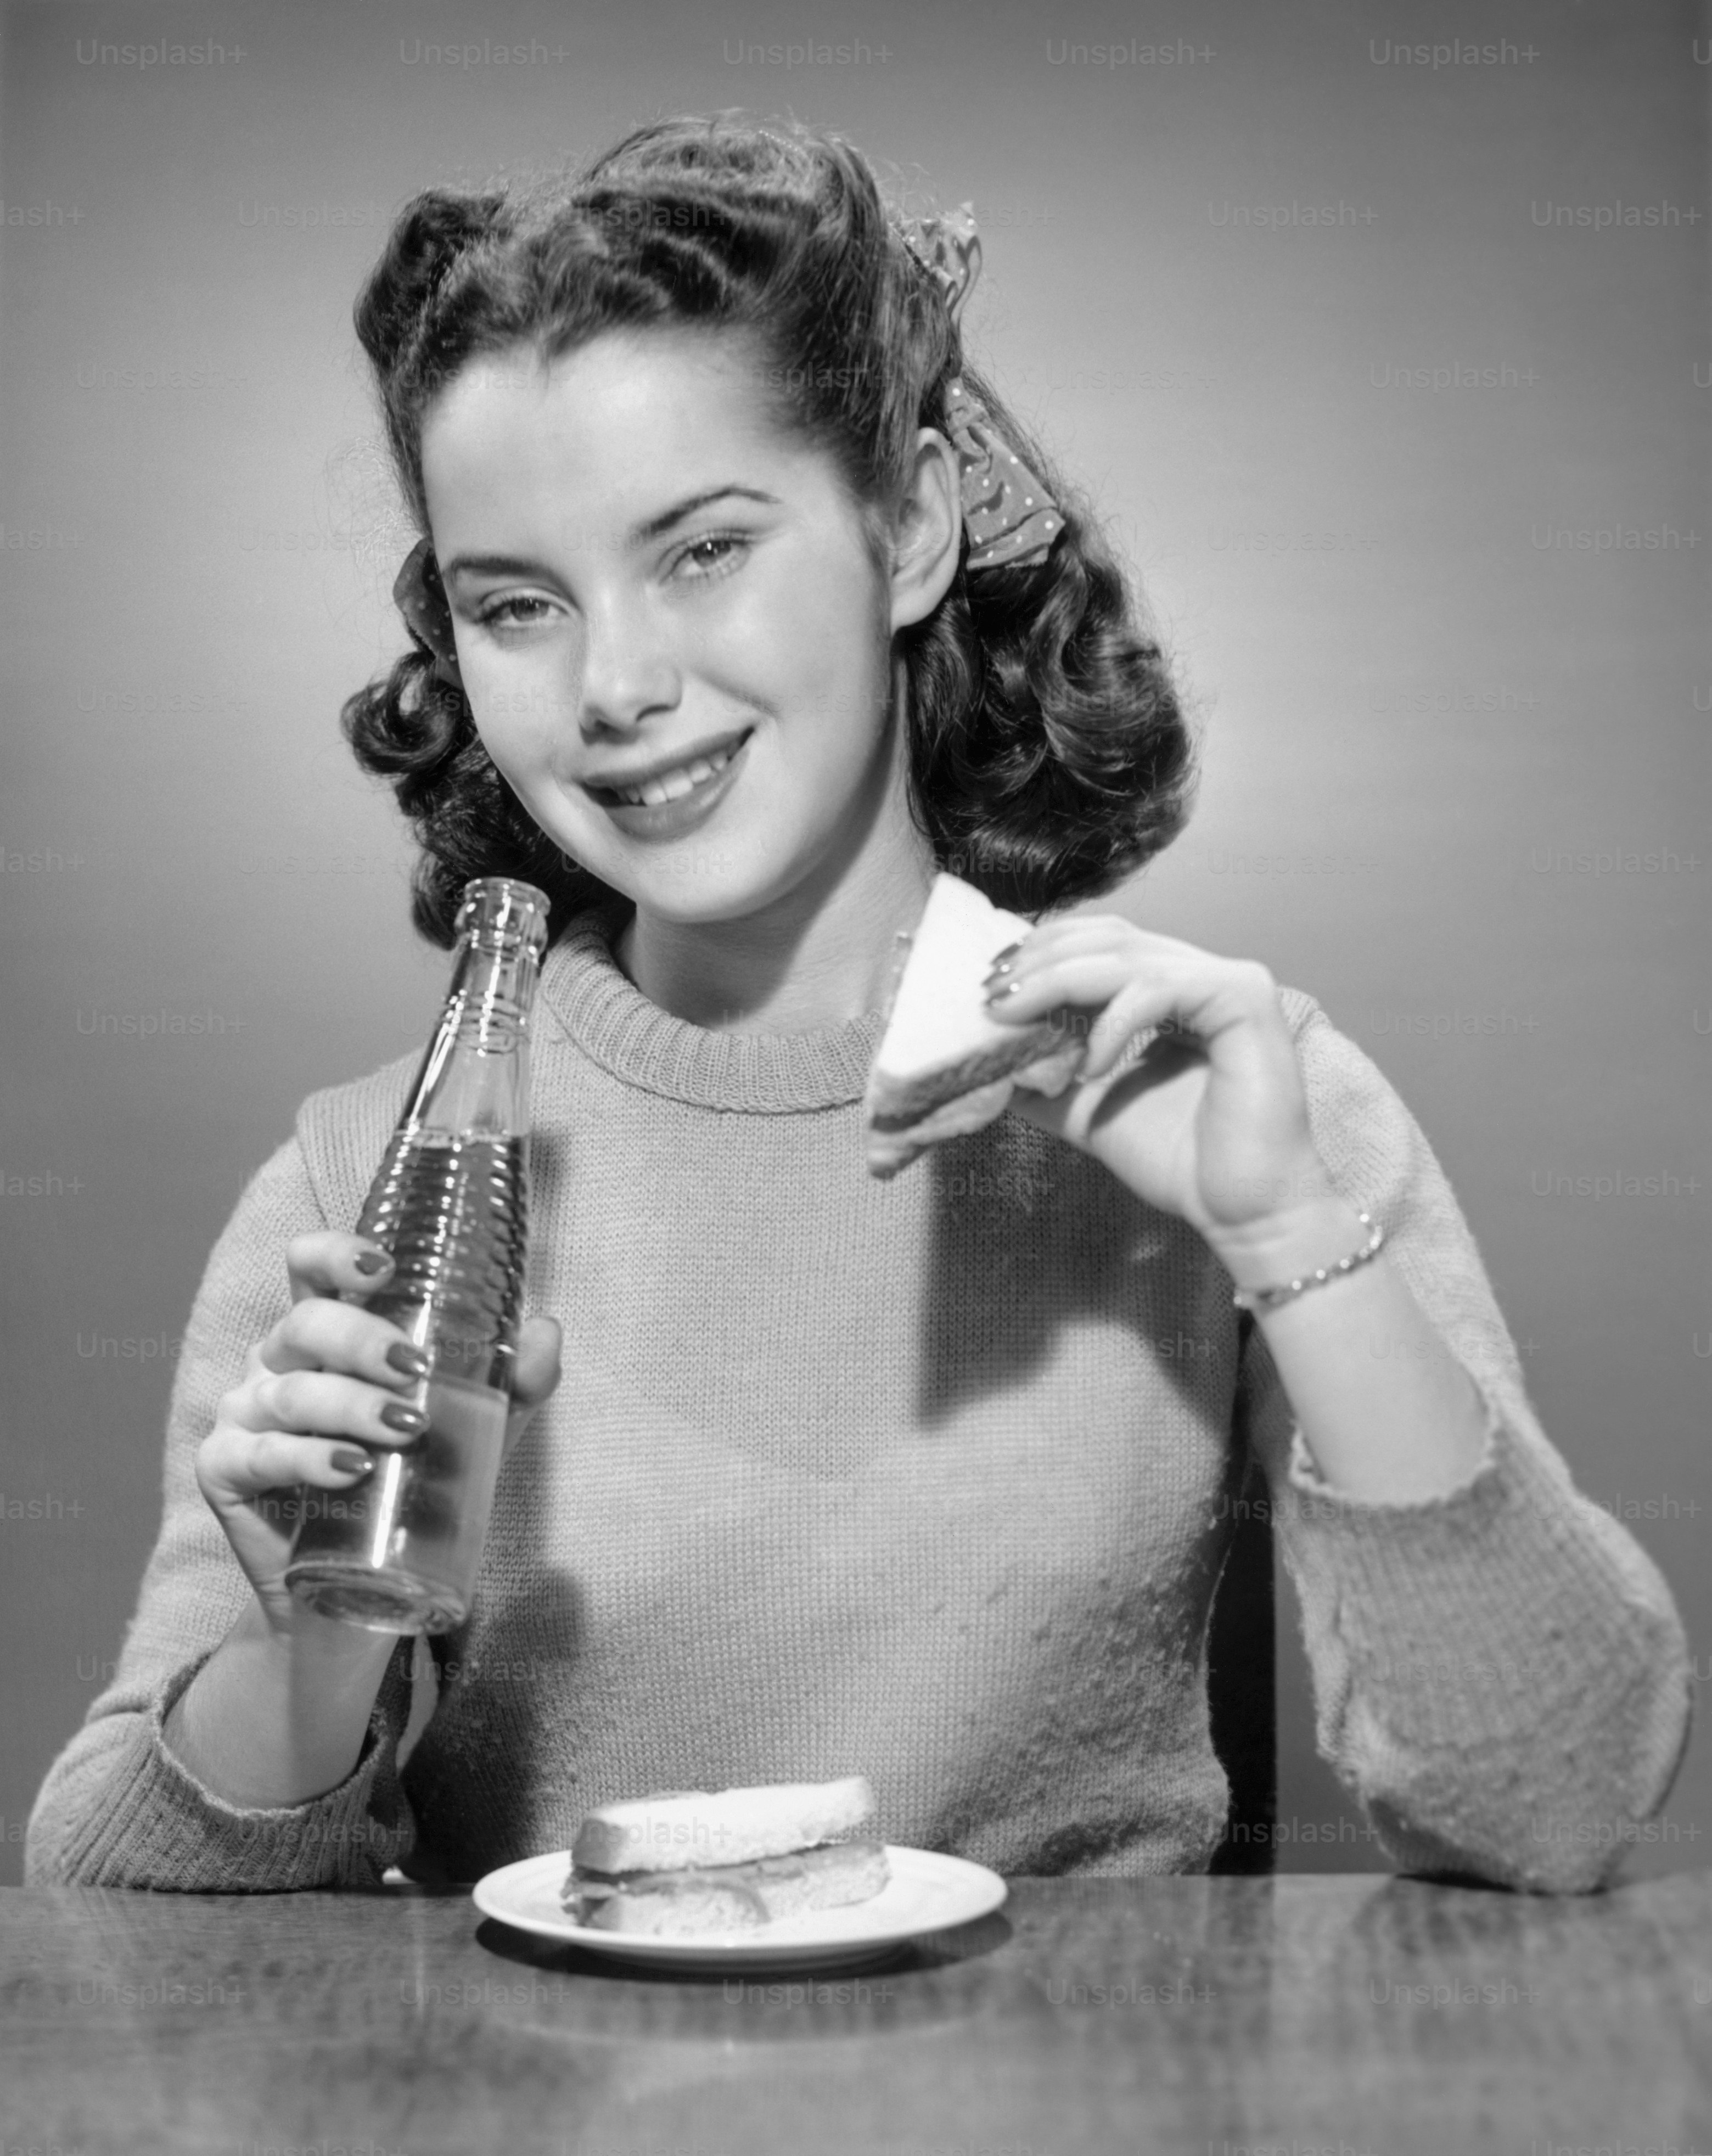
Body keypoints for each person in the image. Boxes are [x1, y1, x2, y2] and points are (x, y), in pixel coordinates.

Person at [27, 114, 1689, 1896]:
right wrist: (325, 1633)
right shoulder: (371, 1191)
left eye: (703, 551)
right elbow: (120, 1920)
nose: (619, 687)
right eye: (517, 605)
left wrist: (1289, 1233)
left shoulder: (1227, 1106)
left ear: (906, 526)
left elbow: (1565, 1795)